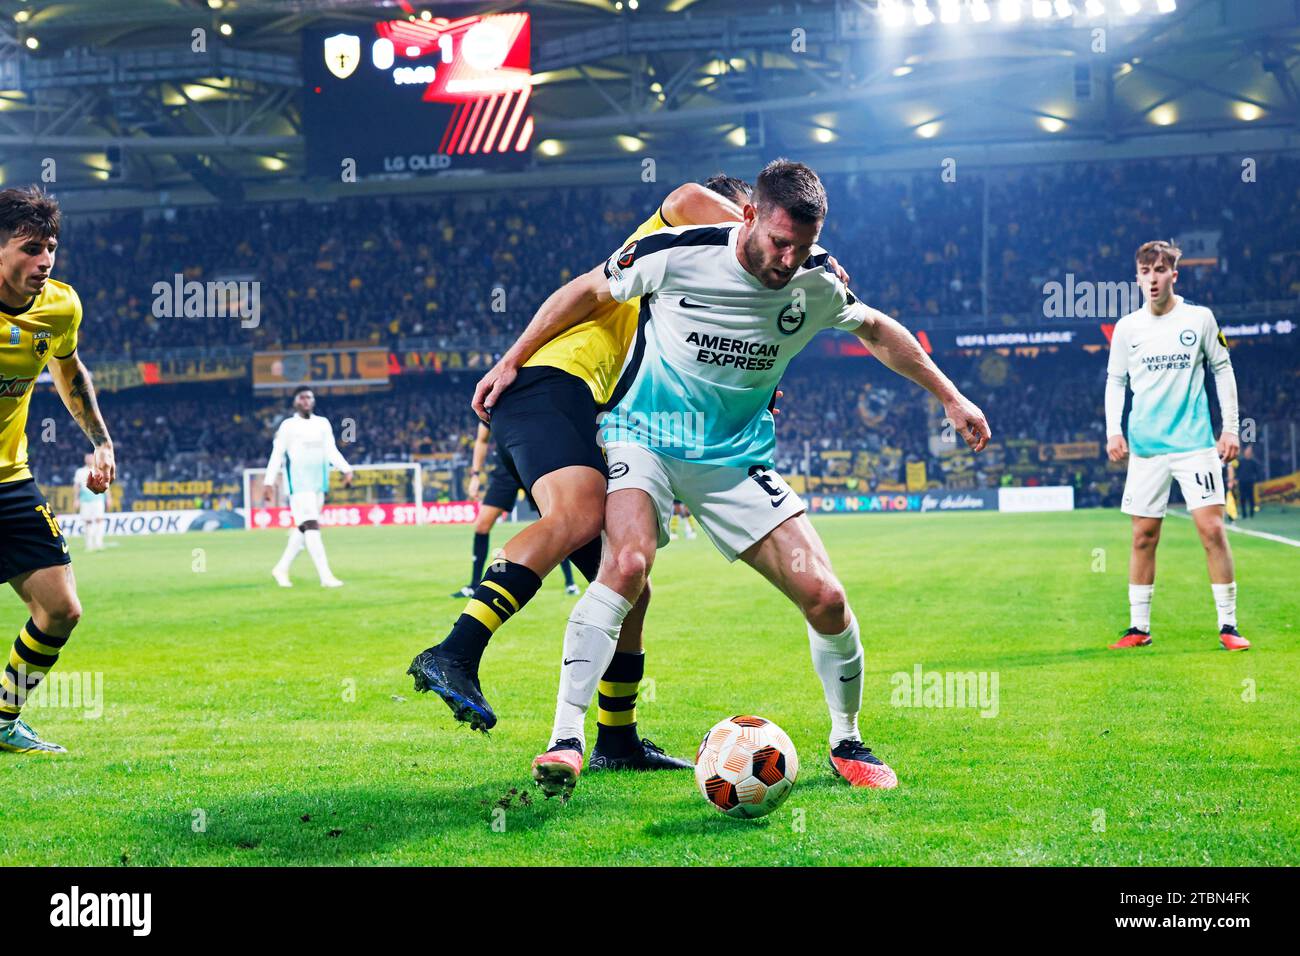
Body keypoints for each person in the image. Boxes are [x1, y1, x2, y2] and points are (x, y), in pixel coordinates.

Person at [527, 159, 991, 799]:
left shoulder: (816, 281)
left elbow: (880, 330)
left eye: (803, 246)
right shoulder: (678, 251)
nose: (788, 260)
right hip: (645, 438)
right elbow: (584, 292)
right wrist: (510, 362)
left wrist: (951, 397)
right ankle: (565, 739)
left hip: (737, 459)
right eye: (779, 242)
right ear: (747, 215)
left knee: (826, 598)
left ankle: (847, 739)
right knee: (628, 565)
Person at [407, 177, 768, 773]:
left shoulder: (686, 295)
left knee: (629, 580)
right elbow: (585, 283)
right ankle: (455, 651)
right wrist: (512, 359)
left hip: (582, 405)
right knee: (573, 514)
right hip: (552, 382)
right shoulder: (682, 222)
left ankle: (618, 742)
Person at [0, 185, 116, 754]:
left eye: (50, 247)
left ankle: (1, 717)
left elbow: (68, 371)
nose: (44, 261)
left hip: (9, 480)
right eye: (30, 248)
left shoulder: (61, 306)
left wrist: (100, 440)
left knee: (60, 608)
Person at [1105, 240, 1247, 652]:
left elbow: (1222, 370)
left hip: (1194, 444)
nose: (1152, 278)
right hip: (1147, 448)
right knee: (1143, 536)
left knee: (1212, 530)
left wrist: (1231, 428)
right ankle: (1138, 628)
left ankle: (1228, 625)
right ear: (1137, 277)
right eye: (1145, 271)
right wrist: (1114, 429)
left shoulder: (1200, 318)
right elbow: (1116, 380)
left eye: (1159, 270)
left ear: (1173, 275)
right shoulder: (1127, 328)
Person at [453, 422, 578, 598]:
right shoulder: (491, 402)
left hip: (534, 465)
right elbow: (482, 440)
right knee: (481, 526)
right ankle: (474, 585)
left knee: (554, 522)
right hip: (505, 470)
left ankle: (570, 583)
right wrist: (475, 475)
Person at [263, 386, 353, 588]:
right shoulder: (288, 426)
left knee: (303, 528)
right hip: (299, 484)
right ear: (295, 402)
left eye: (309, 397)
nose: (306, 401)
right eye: (302, 398)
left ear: (313, 401)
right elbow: (277, 454)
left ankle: (281, 568)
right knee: (312, 525)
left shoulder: (322, 423)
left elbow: (331, 450)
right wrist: (268, 482)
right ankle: (326, 577)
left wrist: (346, 469)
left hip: (319, 483)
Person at [73, 452, 107, 552]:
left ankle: (99, 543)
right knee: (87, 521)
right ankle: (89, 544)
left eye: (91, 458)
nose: (89, 460)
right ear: (85, 459)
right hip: (85, 500)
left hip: (99, 499)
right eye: (87, 458)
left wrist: (109, 498)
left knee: (99, 520)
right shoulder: (80, 472)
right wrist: (76, 499)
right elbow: (77, 486)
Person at [1234, 445, 1259, 520]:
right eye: (1247, 450)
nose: (1248, 452)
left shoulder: (1254, 462)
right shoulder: (1240, 461)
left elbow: (1257, 472)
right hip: (1242, 482)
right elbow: (1236, 471)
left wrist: (1256, 479)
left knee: (1251, 498)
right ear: (1244, 452)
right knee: (1242, 498)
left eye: (1249, 451)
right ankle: (1244, 514)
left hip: (1250, 482)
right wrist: (1236, 479)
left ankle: (1251, 513)